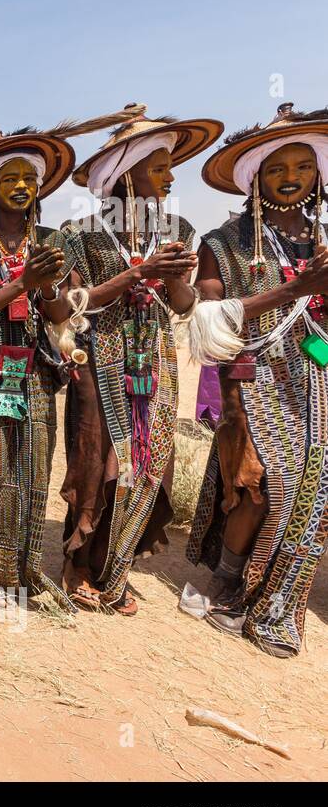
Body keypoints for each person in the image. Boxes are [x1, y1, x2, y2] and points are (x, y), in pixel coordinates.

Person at [0, 110, 140, 616]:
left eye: (29, 179)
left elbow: (61, 313)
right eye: (9, 179)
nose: (22, 187)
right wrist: (19, 284)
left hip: (34, 371)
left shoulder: (57, 242)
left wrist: (47, 286)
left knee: (30, 472)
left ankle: (20, 573)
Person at [58, 108, 221, 614]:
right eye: (158, 167)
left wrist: (171, 276)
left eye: (170, 168)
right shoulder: (77, 233)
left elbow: (182, 303)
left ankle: (118, 565)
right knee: (96, 460)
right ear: (126, 173)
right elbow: (70, 304)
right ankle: (79, 564)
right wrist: (136, 274)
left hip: (155, 361)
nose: (171, 177)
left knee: (147, 465)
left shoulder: (179, 229)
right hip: (97, 363)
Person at [186, 102, 328, 658]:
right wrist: (293, 291)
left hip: (314, 378)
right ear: (255, 179)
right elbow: (209, 319)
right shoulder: (223, 242)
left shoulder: (321, 240)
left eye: (301, 167)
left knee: (312, 497)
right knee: (266, 485)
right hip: (251, 375)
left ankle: (277, 603)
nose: (290, 178)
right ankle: (229, 584)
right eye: (276, 169)